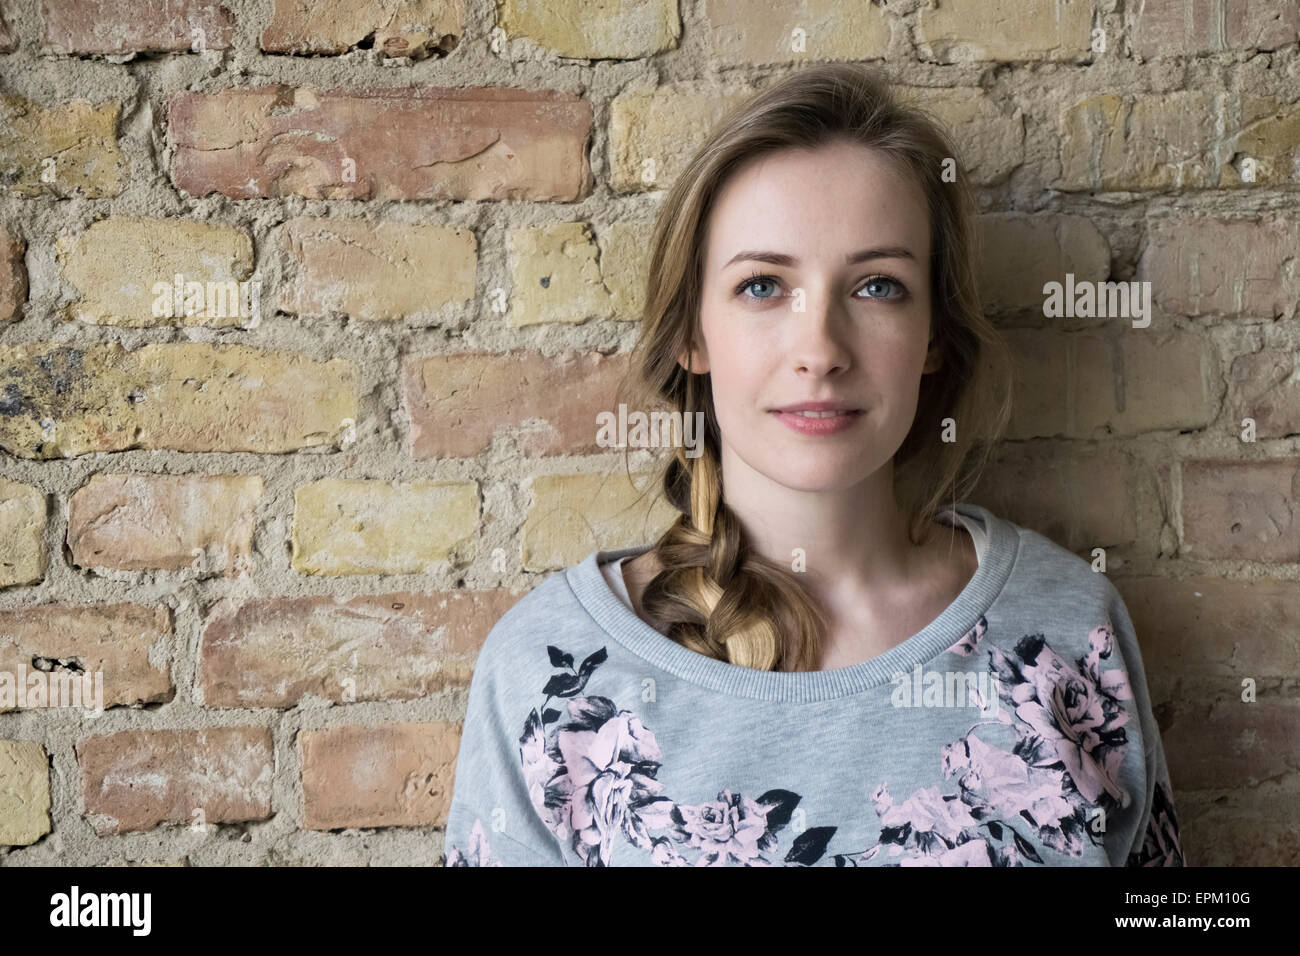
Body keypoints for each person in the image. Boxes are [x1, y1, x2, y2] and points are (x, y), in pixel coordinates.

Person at [443, 64, 1184, 867]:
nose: (821, 351)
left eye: (876, 286)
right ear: (692, 333)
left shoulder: (1072, 628)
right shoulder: (552, 675)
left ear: (935, 334)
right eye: (763, 285)